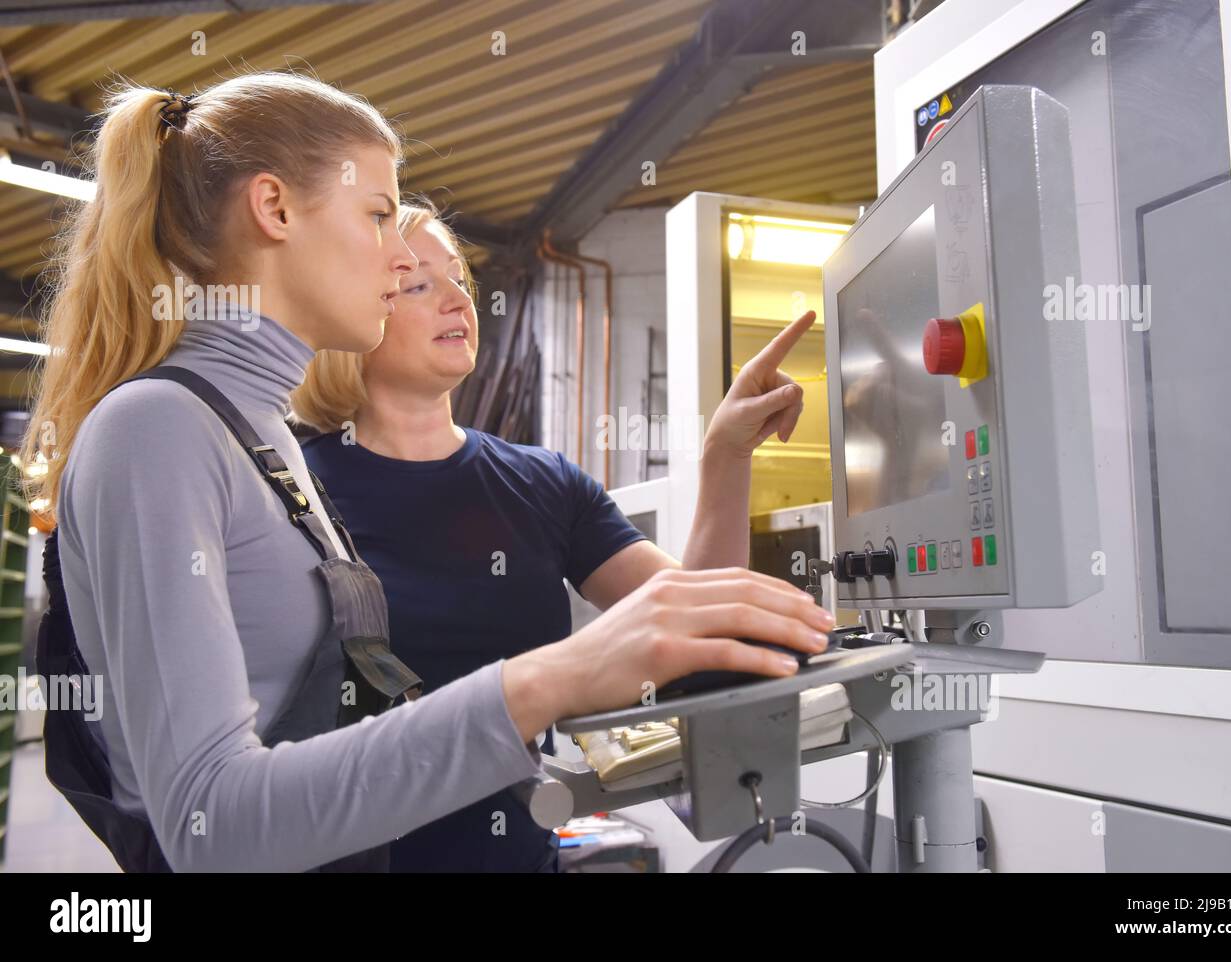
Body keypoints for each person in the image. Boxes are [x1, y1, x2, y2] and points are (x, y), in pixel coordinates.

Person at [21, 71, 833, 873]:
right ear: (274, 209)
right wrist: (552, 678)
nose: (399, 255)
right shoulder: (156, 428)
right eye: (378, 215)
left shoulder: (261, 437)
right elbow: (209, 826)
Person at [294, 198, 824, 871]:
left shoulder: (543, 483)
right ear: (356, 308)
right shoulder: (295, 492)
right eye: (420, 284)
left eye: (459, 279)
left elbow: (698, 631)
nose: (457, 300)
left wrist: (725, 456)